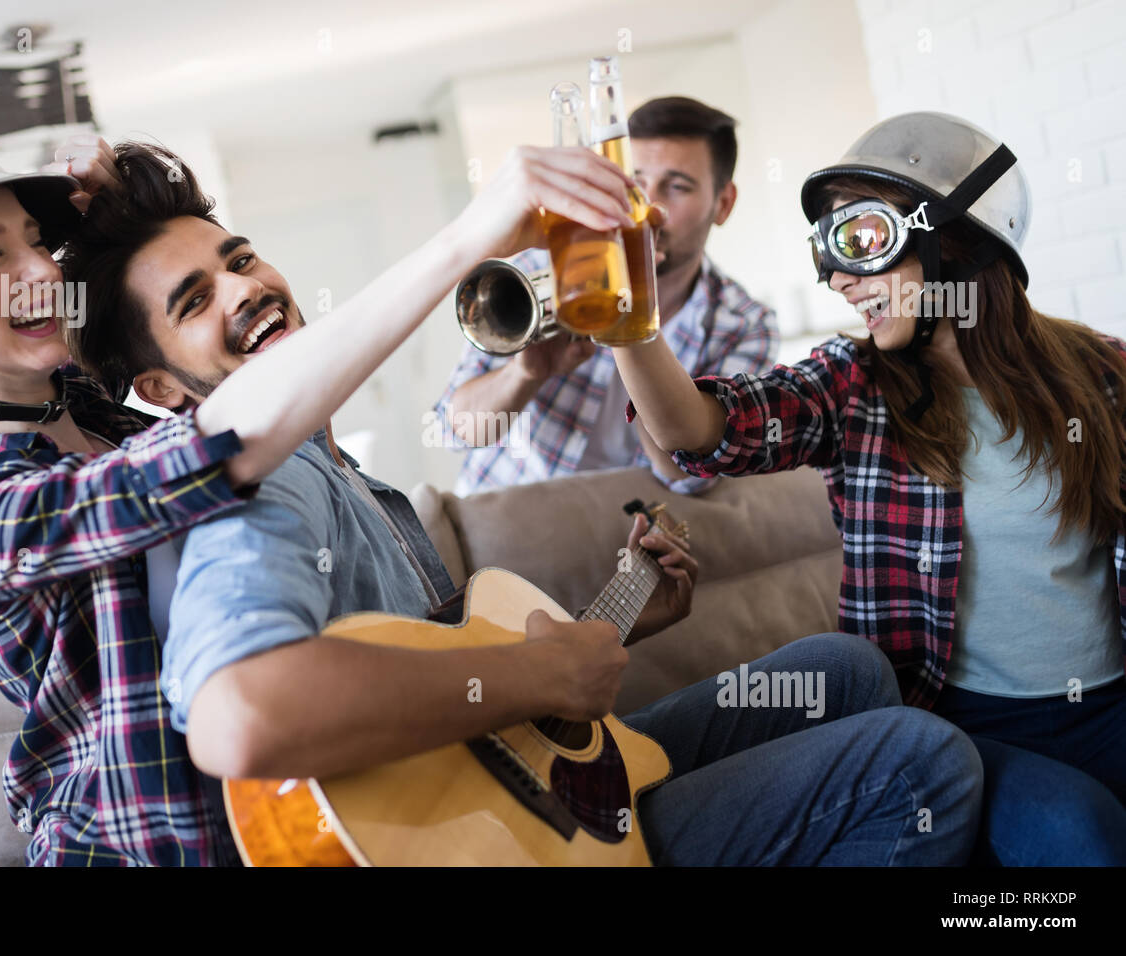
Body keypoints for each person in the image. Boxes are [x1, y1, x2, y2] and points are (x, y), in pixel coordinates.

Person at [63, 141, 986, 866]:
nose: (246, 288)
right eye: (194, 299)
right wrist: (548, 676)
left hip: (501, 800)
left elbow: (469, 717)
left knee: (845, 670)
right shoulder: (262, 482)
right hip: (493, 845)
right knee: (923, 765)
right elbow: (247, 715)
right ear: (164, 388)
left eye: (240, 259)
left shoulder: (353, 484)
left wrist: (611, 628)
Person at [0, 110, 648, 865]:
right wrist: (471, 234)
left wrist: (107, 212)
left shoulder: (101, 418)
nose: (41, 267)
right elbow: (217, 444)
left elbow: (189, 372)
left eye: (34, 238)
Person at [611, 110, 1126, 865]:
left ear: (957, 236)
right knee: (1083, 842)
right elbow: (701, 430)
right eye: (828, 248)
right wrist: (628, 323)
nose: (839, 278)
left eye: (860, 240)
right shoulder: (855, 387)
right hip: (970, 723)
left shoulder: (1105, 374)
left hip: (1109, 707)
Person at [435, 96, 778, 496]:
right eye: (635, 180)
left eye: (677, 186)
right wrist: (525, 373)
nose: (645, 205)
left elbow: (690, 478)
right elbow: (452, 431)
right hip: (502, 512)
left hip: (618, 531)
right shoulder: (536, 265)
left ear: (723, 203)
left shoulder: (746, 325)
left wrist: (630, 321)